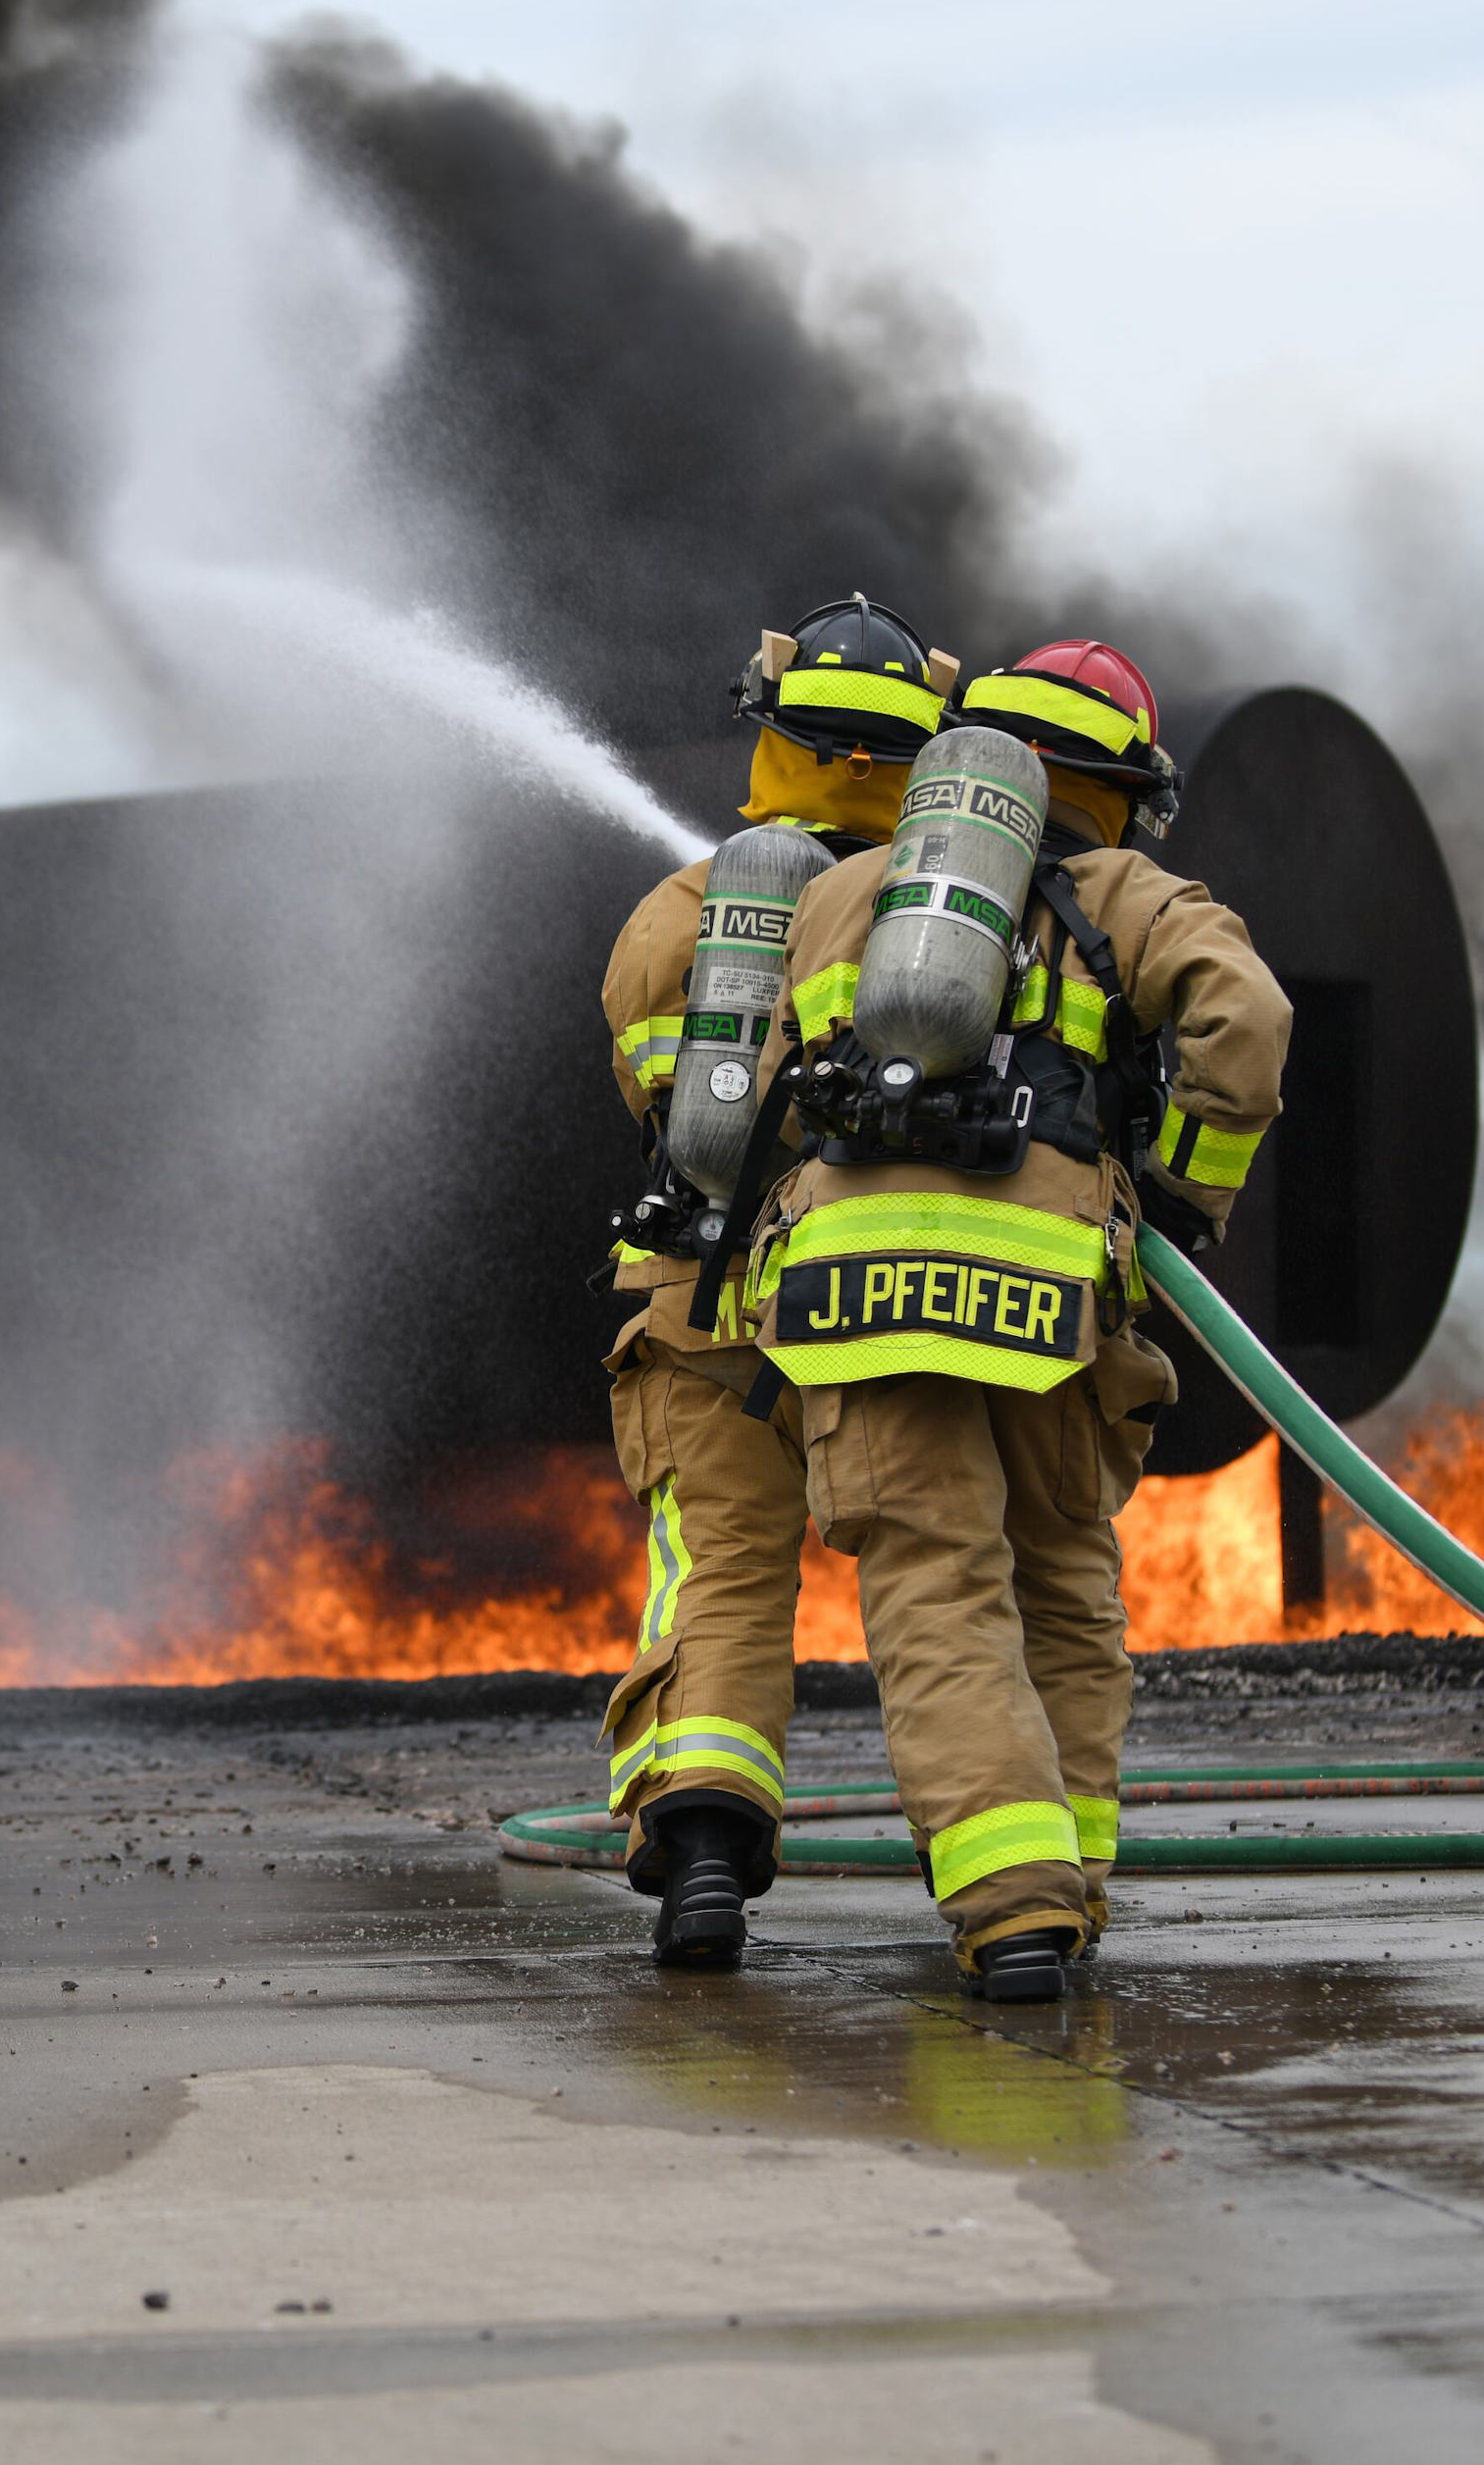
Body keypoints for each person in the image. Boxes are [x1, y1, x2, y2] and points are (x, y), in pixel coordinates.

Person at [737, 638, 1288, 2000]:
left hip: (857, 1293)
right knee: (1062, 1581)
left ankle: (1010, 1909)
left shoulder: (839, 897)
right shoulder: (1132, 894)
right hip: (1048, 1294)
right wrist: (1185, 1195)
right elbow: (1249, 1024)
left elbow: (758, 1109)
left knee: (936, 1587)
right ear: (1108, 787)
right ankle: (1072, 1891)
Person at [597, 593, 955, 1970]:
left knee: (724, 1572)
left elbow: (647, 1083)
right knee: (941, 1581)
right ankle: (1016, 1882)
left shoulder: (688, 908)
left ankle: (699, 1848)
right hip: (893, 1296)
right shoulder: (951, 916)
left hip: (709, 1301)